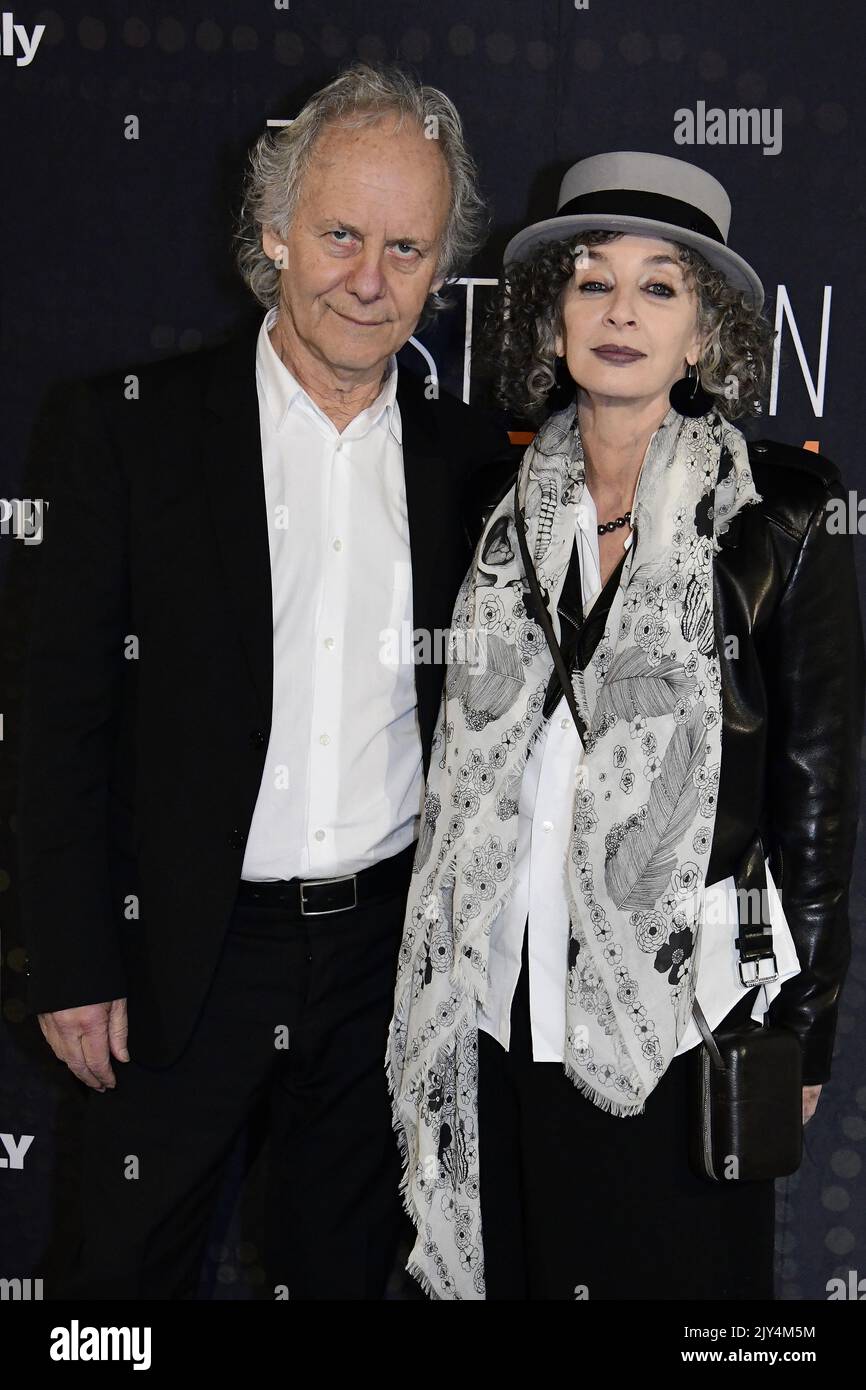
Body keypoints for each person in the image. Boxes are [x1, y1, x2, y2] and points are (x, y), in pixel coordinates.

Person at [17, 61, 518, 1300]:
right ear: (272, 232)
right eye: (340, 234)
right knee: (115, 1290)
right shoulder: (127, 430)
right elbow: (55, 720)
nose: (367, 278)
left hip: (378, 967)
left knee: (340, 1277)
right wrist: (71, 958)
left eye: (405, 248)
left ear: (438, 268)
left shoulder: (472, 461)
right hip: (178, 955)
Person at [387, 151, 865, 1300]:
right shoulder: (488, 508)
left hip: (685, 1012)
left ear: (703, 334)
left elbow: (816, 793)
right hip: (499, 999)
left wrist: (800, 1025)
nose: (619, 312)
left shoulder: (779, 512)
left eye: (659, 287)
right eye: (591, 280)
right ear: (550, 320)